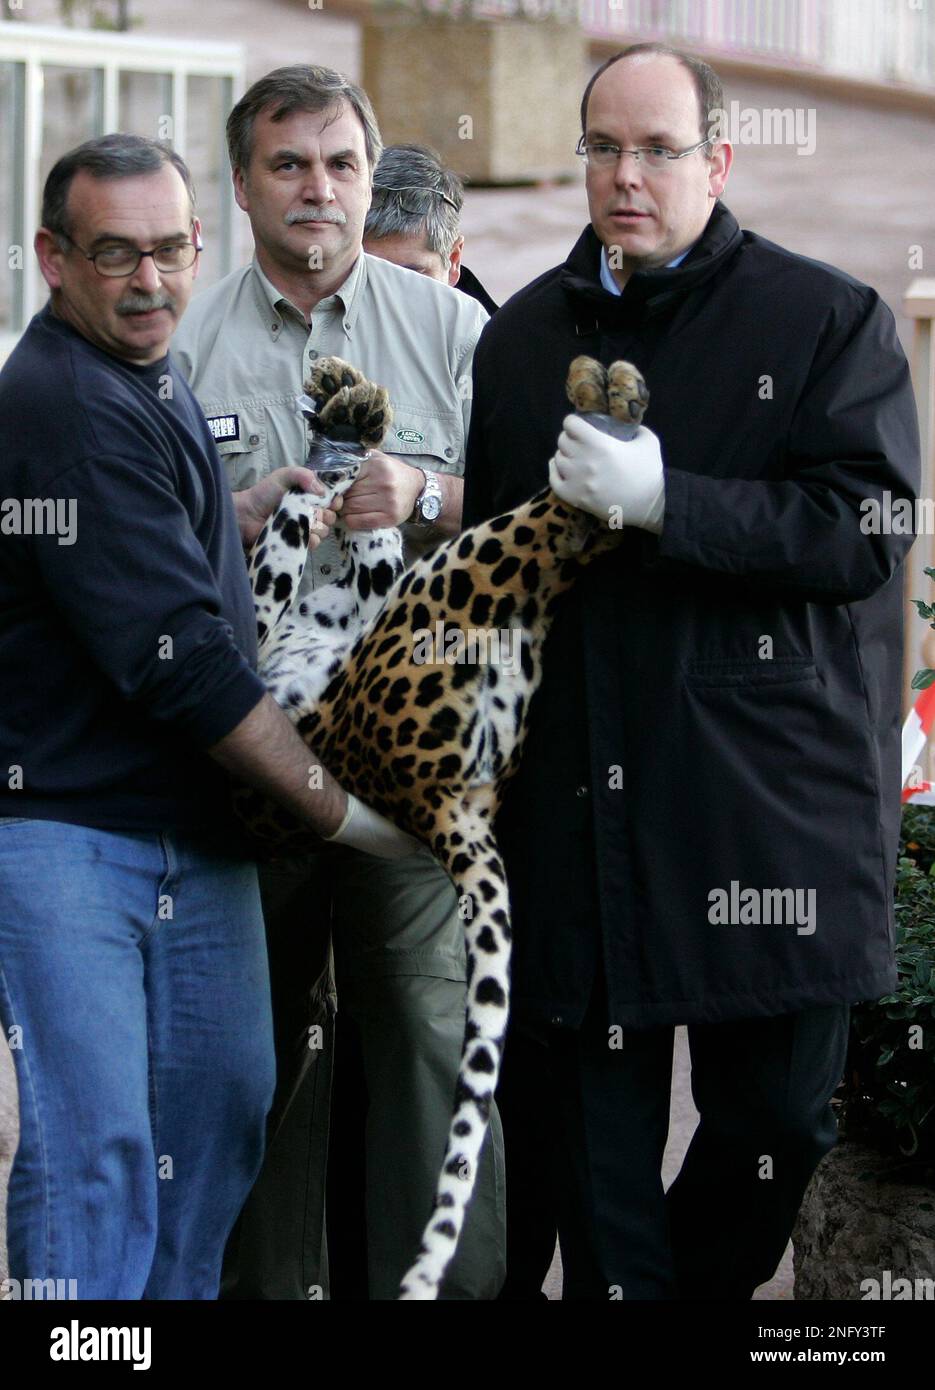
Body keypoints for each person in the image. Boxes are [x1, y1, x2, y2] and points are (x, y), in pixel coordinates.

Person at [462, 42, 920, 1300]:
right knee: (592, 1161)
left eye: (659, 148)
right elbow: (492, 569)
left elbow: (861, 529)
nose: (627, 174)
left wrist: (673, 499)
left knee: (778, 1125)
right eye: (603, 146)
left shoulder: (825, 321)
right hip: (578, 814)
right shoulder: (519, 340)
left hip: (764, 810)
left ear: (717, 158)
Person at [0, 134, 413, 1300]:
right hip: (73, 834)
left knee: (223, 1115)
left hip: (198, 837)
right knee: (101, 1154)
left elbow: (127, 551)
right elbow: (179, 661)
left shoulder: (146, 370)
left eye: (171, 250)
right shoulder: (65, 401)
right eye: (115, 254)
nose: (150, 281)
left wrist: (235, 514)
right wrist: (348, 813)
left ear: (199, 241)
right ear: (53, 258)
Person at [171, 65, 506, 1302]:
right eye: (289, 165)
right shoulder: (181, 344)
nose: (319, 189)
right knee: (253, 1058)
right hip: (247, 762)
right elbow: (133, 550)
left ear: (371, 178)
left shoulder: (459, 332)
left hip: (418, 763)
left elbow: (544, 520)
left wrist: (424, 494)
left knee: (428, 1034)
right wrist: (236, 512)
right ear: (243, 182)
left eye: (342, 164)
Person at [363, 142, 498, 315]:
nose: (387, 301)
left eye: (412, 277)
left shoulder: (494, 339)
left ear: (453, 261)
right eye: (367, 277)